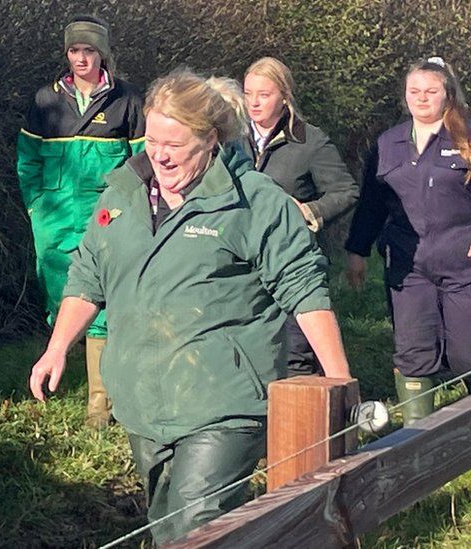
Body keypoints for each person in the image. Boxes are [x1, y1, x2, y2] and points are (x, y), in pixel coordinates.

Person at [29, 69, 352, 544]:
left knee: (195, 529)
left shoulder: (254, 203)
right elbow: (88, 275)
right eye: (153, 139)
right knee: (166, 528)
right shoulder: (121, 194)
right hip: (143, 399)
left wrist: (341, 384)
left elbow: (304, 289)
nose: (159, 154)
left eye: (175, 144)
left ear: (212, 140)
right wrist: (57, 348)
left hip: (225, 402)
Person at [16, 14, 145, 428]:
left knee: (102, 303)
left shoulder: (127, 100)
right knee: (61, 300)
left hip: (107, 220)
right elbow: (27, 161)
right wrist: (36, 207)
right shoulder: (45, 101)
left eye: (89, 50)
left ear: (103, 53)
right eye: (75, 50)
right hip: (53, 221)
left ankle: (99, 406)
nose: (81, 58)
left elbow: (142, 165)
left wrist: (129, 212)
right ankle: (54, 383)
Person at [345, 57, 471, 425]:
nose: (422, 98)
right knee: (413, 352)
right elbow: (371, 202)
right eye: (414, 91)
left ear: (447, 94)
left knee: (466, 352)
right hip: (407, 265)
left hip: (461, 262)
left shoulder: (465, 138)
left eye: (431, 91)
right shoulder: (389, 143)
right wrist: (357, 249)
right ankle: (417, 448)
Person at [242, 57, 359, 377]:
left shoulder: (309, 140)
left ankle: (313, 416)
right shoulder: (230, 138)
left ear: (284, 95)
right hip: (243, 264)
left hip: (293, 259)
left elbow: (346, 192)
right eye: (248, 93)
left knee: (294, 353)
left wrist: (307, 212)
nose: (253, 102)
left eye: (263, 95)